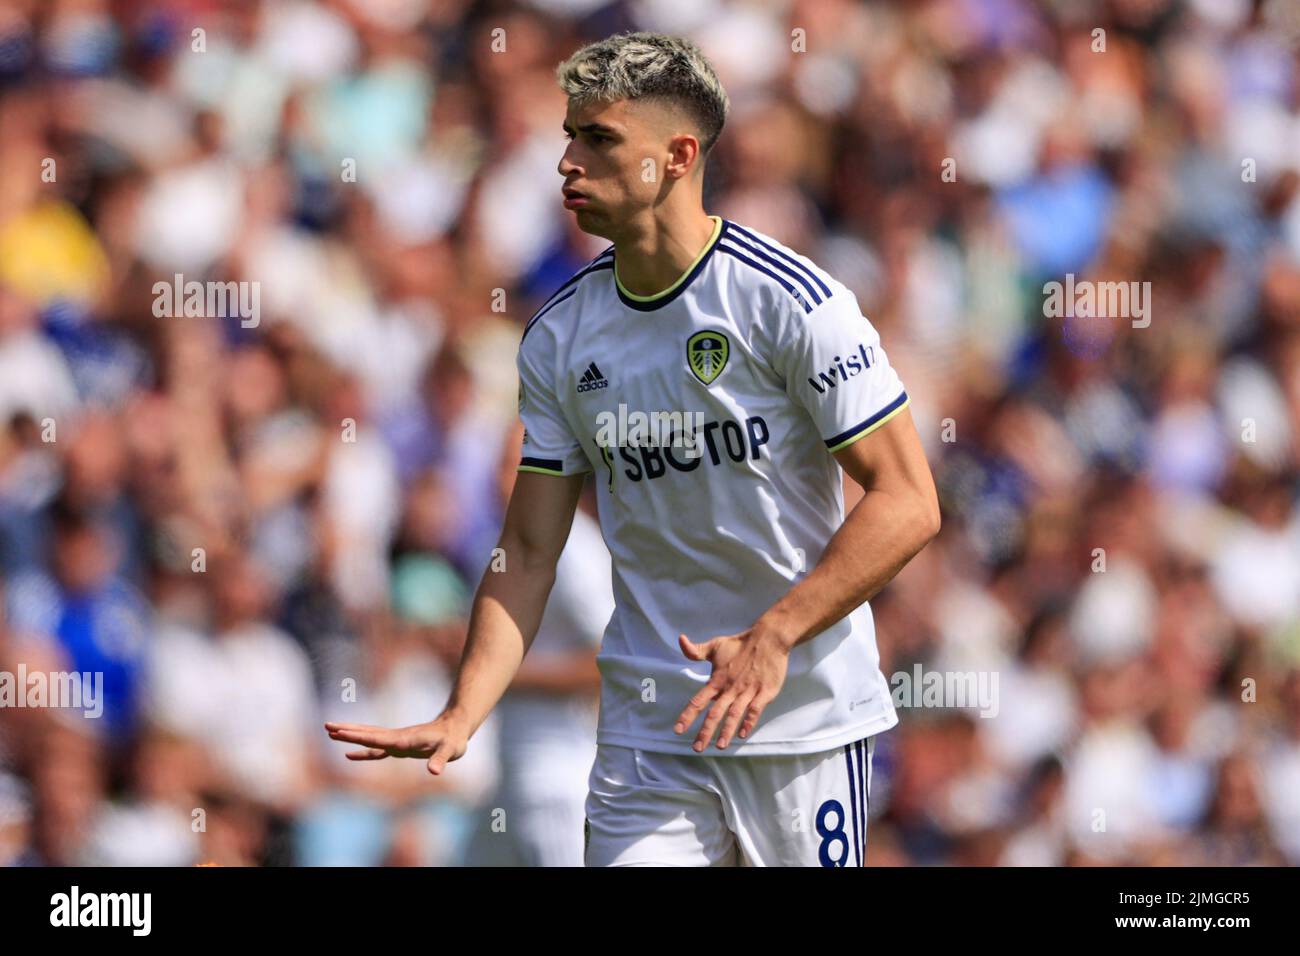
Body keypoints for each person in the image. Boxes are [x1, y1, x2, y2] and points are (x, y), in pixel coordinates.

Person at [326, 31, 940, 867]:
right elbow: (530, 547)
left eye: (598, 139)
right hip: (650, 735)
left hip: (802, 723)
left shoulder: (792, 303)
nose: (567, 161)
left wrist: (774, 635)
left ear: (677, 156)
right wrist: (464, 708)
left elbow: (909, 500)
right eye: (570, 135)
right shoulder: (557, 337)